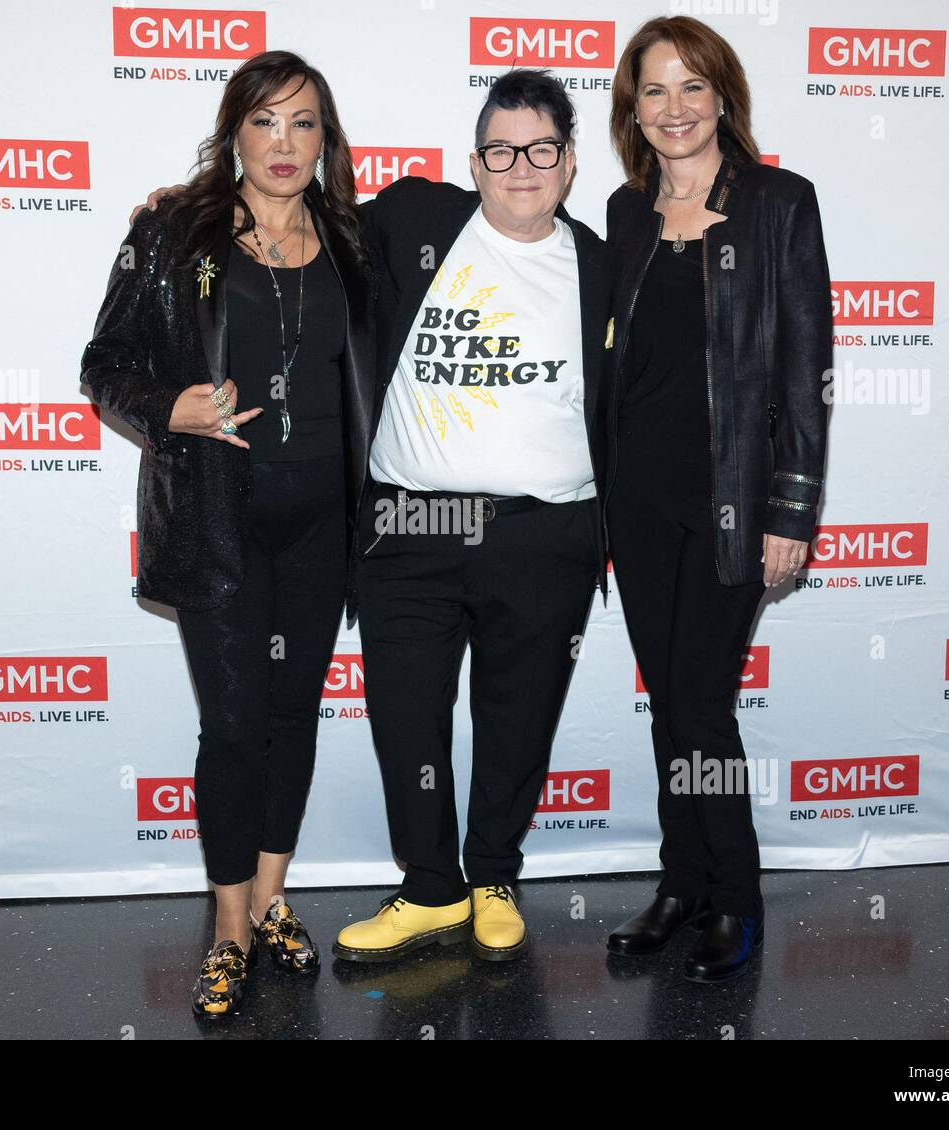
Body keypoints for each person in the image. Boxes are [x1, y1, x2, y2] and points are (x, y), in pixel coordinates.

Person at [81, 50, 375, 1019]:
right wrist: (174, 406)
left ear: (324, 139)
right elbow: (105, 359)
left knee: (293, 717)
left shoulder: (349, 235)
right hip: (219, 519)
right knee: (233, 723)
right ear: (234, 131)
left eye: (304, 123)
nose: (285, 143)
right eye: (265, 121)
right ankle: (226, 926)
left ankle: (272, 895)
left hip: (323, 523)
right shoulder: (178, 230)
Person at [330, 69, 612, 963]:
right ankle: (430, 889)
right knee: (406, 719)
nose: (519, 166)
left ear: (569, 164)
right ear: (474, 161)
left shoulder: (602, 267)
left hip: (546, 534)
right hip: (410, 529)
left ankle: (491, 874)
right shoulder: (416, 222)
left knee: (517, 714)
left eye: (540, 150)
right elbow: (303, 221)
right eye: (500, 149)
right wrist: (195, 211)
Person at [599, 16, 831, 981]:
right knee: (670, 704)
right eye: (654, 91)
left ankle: (734, 892)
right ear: (632, 110)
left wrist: (792, 512)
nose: (674, 108)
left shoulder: (779, 204)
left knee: (701, 704)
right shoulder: (623, 211)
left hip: (734, 499)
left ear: (723, 97)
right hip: (638, 500)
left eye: (692, 87)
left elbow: (806, 368)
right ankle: (681, 878)